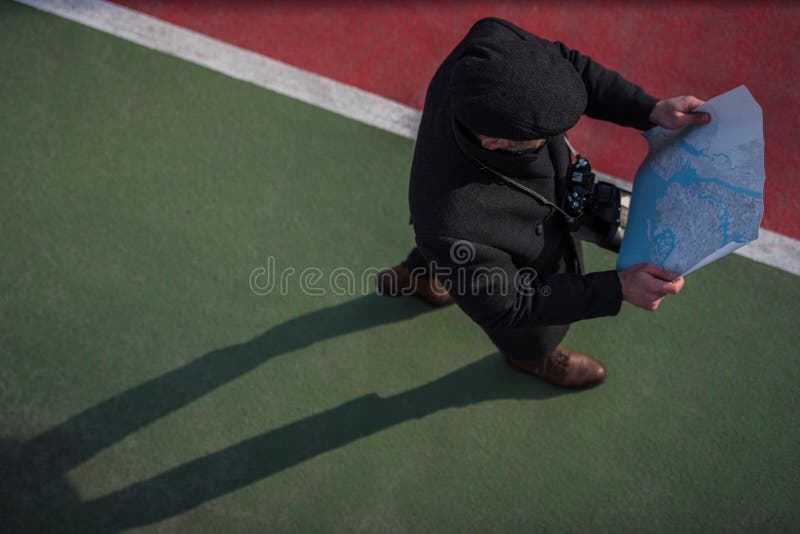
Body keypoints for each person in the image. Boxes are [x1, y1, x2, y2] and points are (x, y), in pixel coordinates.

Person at [377, 17, 708, 388]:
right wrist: (618, 288)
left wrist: (648, 110)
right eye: (543, 133)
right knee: (517, 319)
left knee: (457, 261)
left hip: (462, 247)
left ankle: (419, 275)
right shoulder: (453, 223)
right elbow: (513, 304)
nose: (560, 132)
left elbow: (565, 69)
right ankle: (532, 358)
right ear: (493, 141)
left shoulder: (492, 45)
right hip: (476, 243)